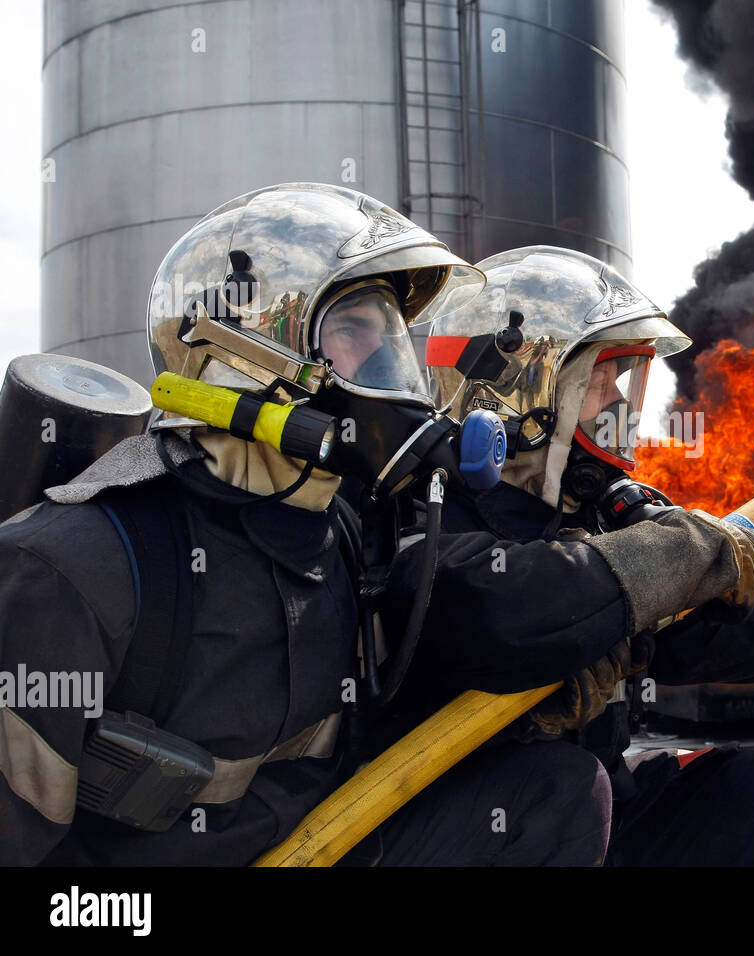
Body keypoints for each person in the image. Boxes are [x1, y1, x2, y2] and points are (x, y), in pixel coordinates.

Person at [0, 185, 611, 866]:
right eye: (354, 332)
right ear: (246, 355)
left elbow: (365, 733)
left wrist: (519, 710)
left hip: (316, 846)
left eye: (392, 342)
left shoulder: (341, 536)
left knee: (551, 791)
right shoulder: (73, 569)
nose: (389, 372)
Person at [403, 245, 754, 866]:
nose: (619, 404)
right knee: (563, 785)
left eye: (622, 381)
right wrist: (667, 559)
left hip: (598, 822)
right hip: (468, 840)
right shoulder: (423, 508)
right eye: (600, 379)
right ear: (524, 386)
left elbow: (752, 634)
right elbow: (498, 608)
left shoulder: (592, 516)